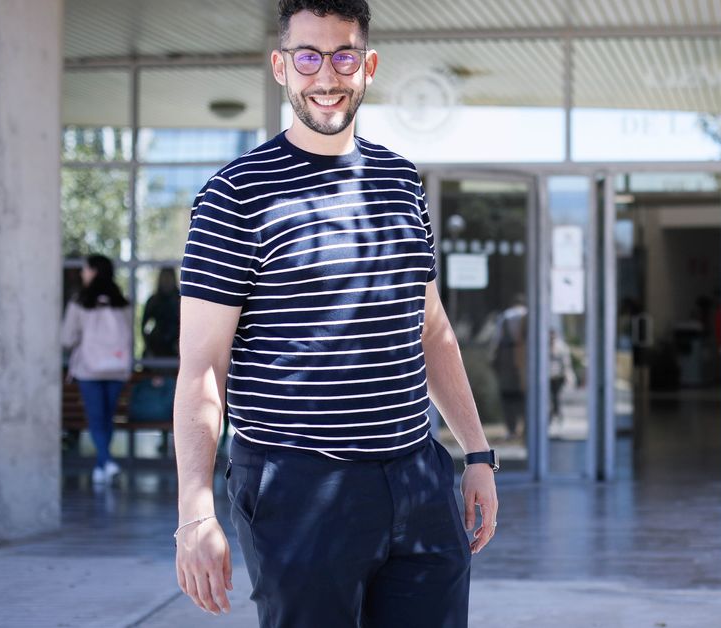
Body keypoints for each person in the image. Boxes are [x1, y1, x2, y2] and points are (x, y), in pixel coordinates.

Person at [172, 2, 498, 626]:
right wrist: (195, 508)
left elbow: (430, 330)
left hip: (418, 478)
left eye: (344, 55)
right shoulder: (235, 193)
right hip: (299, 489)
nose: (327, 75)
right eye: (309, 56)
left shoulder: (401, 180)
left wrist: (476, 453)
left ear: (368, 66)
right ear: (281, 67)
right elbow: (202, 368)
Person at [61, 254, 133, 484]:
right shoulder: (123, 302)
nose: (82, 273)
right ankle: (103, 465)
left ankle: (106, 461)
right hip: (117, 368)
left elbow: (67, 338)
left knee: (96, 418)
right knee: (107, 417)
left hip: (88, 370)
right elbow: (131, 336)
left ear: (93, 272)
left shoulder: (79, 303)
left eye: (85, 269)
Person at [490, 295, 527, 440]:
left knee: (508, 397)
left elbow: (496, 340)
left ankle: (512, 429)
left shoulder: (505, 317)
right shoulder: (530, 314)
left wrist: (493, 360)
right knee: (525, 397)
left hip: (507, 362)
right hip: (526, 361)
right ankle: (527, 429)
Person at [141, 267, 180, 358]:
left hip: (176, 347)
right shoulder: (154, 301)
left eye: (169, 278)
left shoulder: (180, 300)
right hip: (157, 346)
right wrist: (149, 346)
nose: (166, 281)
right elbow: (145, 326)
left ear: (174, 279)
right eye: (164, 278)